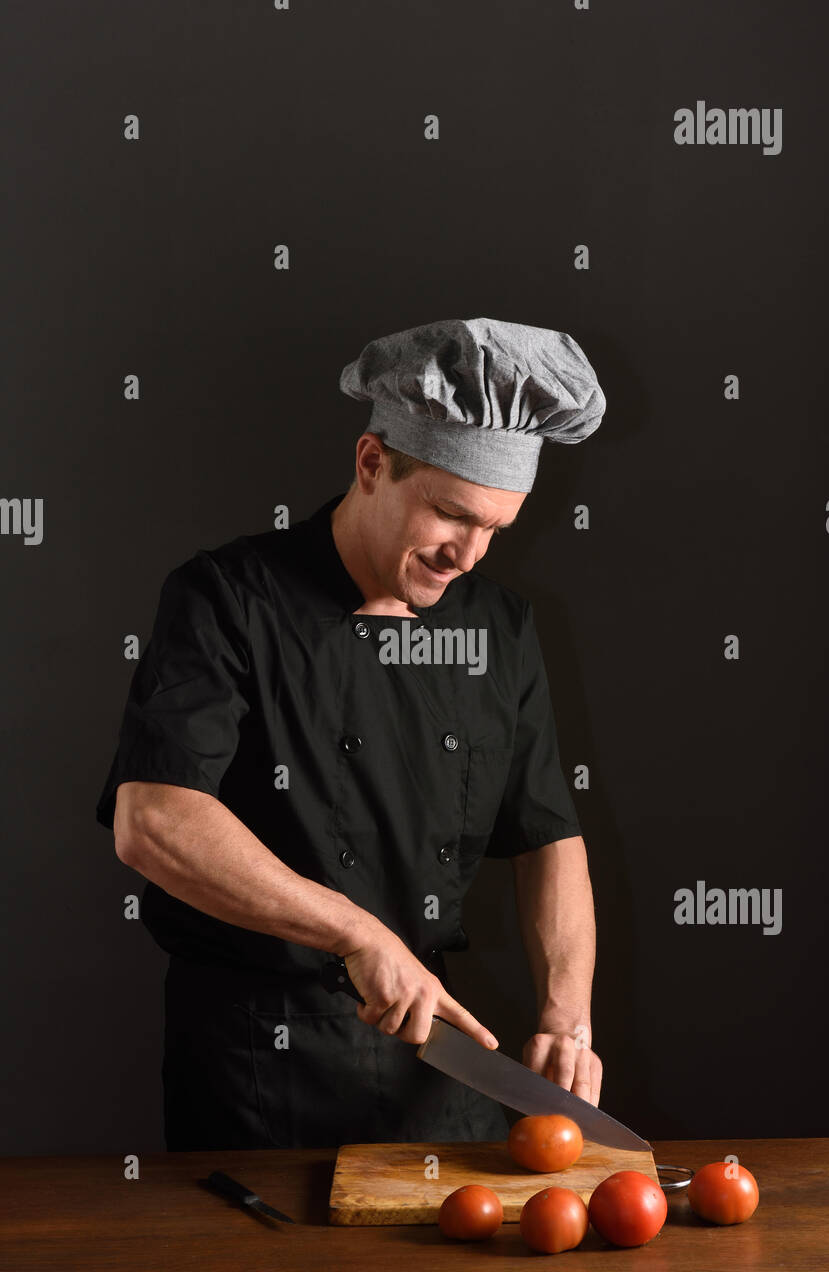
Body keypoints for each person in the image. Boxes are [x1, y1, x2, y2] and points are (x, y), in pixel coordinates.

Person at [95, 316, 607, 1149]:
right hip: (258, 1066)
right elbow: (152, 820)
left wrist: (567, 1011)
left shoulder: (501, 629)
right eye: (450, 515)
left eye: (496, 531)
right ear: (372, 463)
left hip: (434, 1060)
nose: (467, 556)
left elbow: (549, 830)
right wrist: (356, 931)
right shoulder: (228, 599)